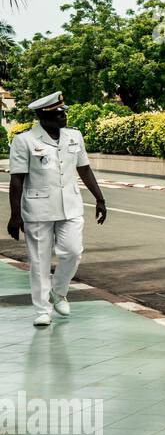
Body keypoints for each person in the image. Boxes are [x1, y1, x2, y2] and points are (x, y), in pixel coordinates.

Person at [6, 92, 107, 326]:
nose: (64, 116)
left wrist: (100, 199)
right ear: (43, 115)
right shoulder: (25, 141)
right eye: (59, 113)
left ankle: (59, 291)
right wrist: (14, 215)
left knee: (73, 252)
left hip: (71, 206)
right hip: (38, 208)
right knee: (40, 261)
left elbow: (84, 169)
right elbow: (17, 180)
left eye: (64, 111)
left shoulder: (74, 137)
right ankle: (42, 309)